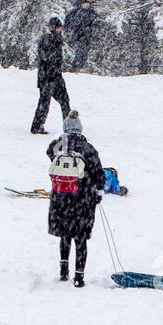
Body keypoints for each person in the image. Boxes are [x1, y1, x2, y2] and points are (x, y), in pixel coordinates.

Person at [46, 112, 105, 287]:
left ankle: (63, 271)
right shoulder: (88, 148)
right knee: (80, 239)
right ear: (80, 129)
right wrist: (98, 191)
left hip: (61, 198)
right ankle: (79, 277)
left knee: (65, 235)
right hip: (83, 199)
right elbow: (99, 174)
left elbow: (49, 152)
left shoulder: (58, 145)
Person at [30, 17, 71, 134]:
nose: (60, 30)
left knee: (64, 101)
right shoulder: (47, 39)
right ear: (53, 28)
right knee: (45, 102)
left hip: (56, 76)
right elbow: (46, 58)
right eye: (58, 28)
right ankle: (37, 127)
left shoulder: (57, 39)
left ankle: (69, 127)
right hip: (47, 77)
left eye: (60, 28)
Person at [63, 0, 99, 71]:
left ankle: (77, 69)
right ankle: (72, 68)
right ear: (81, 3)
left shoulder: (92, 13)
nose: (87, 4)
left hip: (86, 38)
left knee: (83, 54)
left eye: (89, 3)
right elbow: (67, 24)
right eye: (85, 2)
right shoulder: (74, 13)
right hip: (74, 37)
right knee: (73, 54)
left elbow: (97, 25)